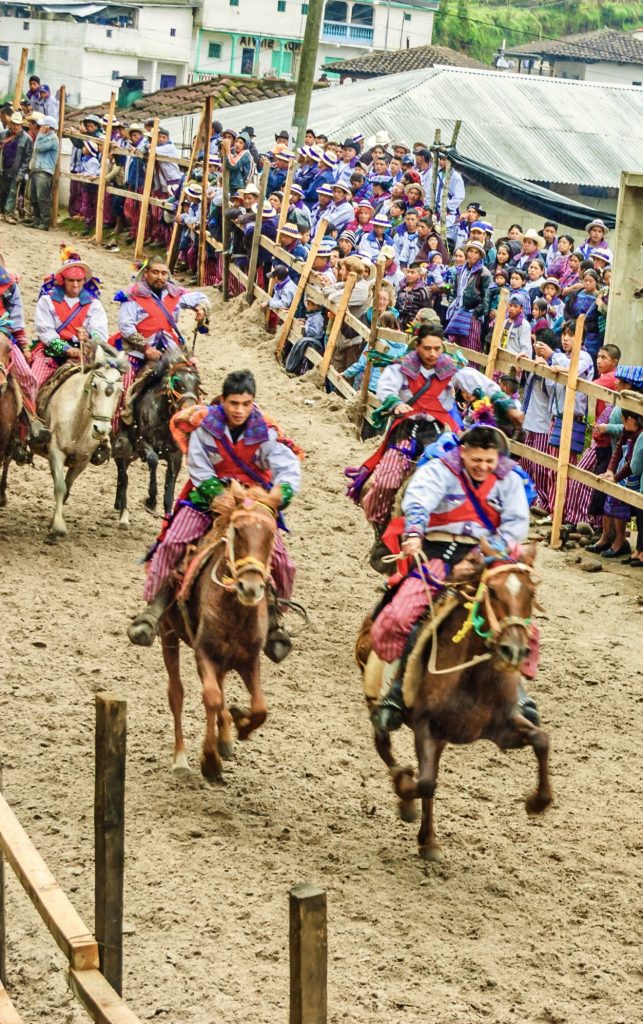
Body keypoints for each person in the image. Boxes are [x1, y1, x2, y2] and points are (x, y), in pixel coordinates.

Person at [369, 424, 537, 733]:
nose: (483, 467)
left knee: (515, 615)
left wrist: (483, 557)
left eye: (489, 461)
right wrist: (415, 534)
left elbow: (515, 523)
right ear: (463, 452)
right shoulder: (439, 471)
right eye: (476, 460)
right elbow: (419, 502)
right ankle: (394, 693)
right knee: (406, 614)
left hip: (487, 554)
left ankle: (518, 696)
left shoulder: (509, 479)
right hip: (438, 552)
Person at [127, 369, 302, 661]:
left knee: (283, 561)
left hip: (252, 502)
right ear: (223, 400)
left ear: (253, 401)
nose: (239, 410)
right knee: (173, 543)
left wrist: (278, 495)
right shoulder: (205, 427)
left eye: (246, 404)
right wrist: (220, 494)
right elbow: (198, 468)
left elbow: (287, 468)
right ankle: (153, 611)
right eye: (234, 403)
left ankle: (274, 621)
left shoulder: (266, 431)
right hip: (210, 498)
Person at [347, 324, 522, 531]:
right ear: (417, 346)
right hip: (408, 432)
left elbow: (484, 384)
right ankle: (381, 528)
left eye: (437, 349)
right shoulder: (400, 368)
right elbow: (387, 389)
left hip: (443, 433)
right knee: (386, 482)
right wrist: (395, 403)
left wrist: (509, 407)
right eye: (427, 348)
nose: (432, 353)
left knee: (476, 471)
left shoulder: (452, 369)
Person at [113, 256, 209, 442]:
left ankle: (196, 422)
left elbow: (202, 297)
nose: (160, 277)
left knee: (190, 379)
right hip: (137, 352)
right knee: (124, 387)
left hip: (169, 351)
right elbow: (126, 326)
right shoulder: (131, 295)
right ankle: (120, 432)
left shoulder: (176, 293)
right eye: (155, 272)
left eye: (164, 273)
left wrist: (200, 308)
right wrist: (145, 348)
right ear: (146, 273)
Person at [32, 255, 108, 390]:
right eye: (71, 280)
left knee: (107, 386)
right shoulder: (47, 301)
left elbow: (100, 333)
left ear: (84, 280)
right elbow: (44, 331)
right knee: (33, 383)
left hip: (84, 354)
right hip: (51, 352)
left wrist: (89, 338)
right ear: (63, 280)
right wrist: (67, 350)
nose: (75, 285)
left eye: (79, 280)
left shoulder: (94, 304)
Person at [26, 115, 59, 230]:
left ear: (48, 127)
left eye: (43, 125)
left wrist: (40, 134)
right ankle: (37, 219)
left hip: (44, 171)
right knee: (34, 197)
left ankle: (44, 222)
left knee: (42, 197)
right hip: (37, 169)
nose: (40, 127)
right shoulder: (45, 137)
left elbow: (39, 147)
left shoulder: (52, 138)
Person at [0, 113, 33, 223]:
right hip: (4, 167)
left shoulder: (27, 139)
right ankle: (2, 212)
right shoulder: (3, 134)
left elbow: (27, 159)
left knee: (12, 192)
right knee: (2, 190)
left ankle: (9, 214)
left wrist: (21, 173)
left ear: (21, 125)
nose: (15, 126)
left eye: (18, 124)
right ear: (10, 124)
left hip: (16, 169)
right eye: (14, 123)